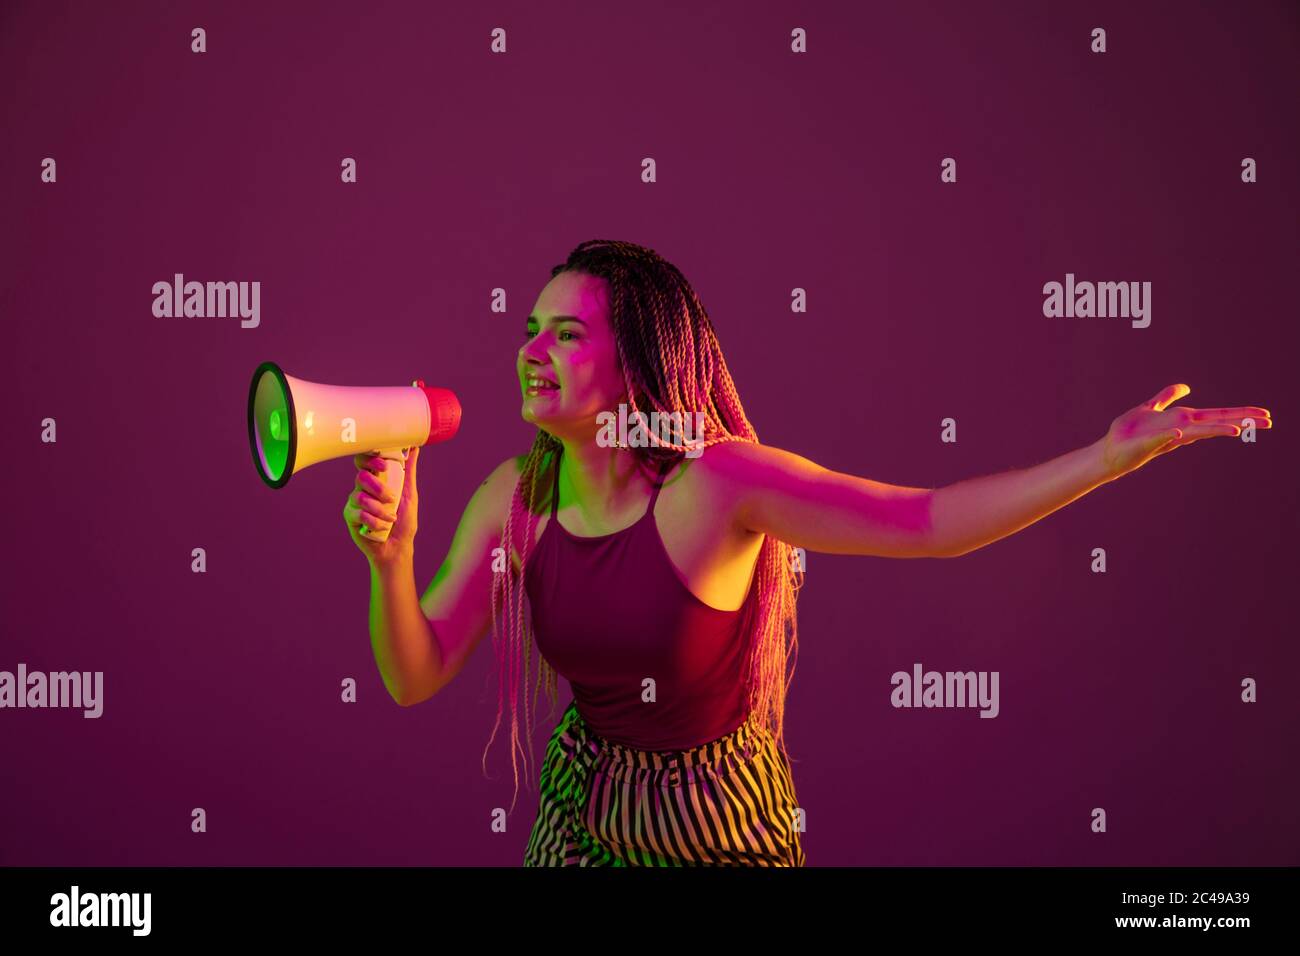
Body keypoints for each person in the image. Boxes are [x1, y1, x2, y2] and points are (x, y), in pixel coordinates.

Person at [343, 239, 1271, 866]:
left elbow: (930, 521)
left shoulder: (719, 484)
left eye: (567, 334)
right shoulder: (514, 498)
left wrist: (1105, 458)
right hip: (580, 805)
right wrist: (394, 554)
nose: (532, 350)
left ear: (634, 363)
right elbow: (413, 675)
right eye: (530, 330)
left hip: (718, 820)